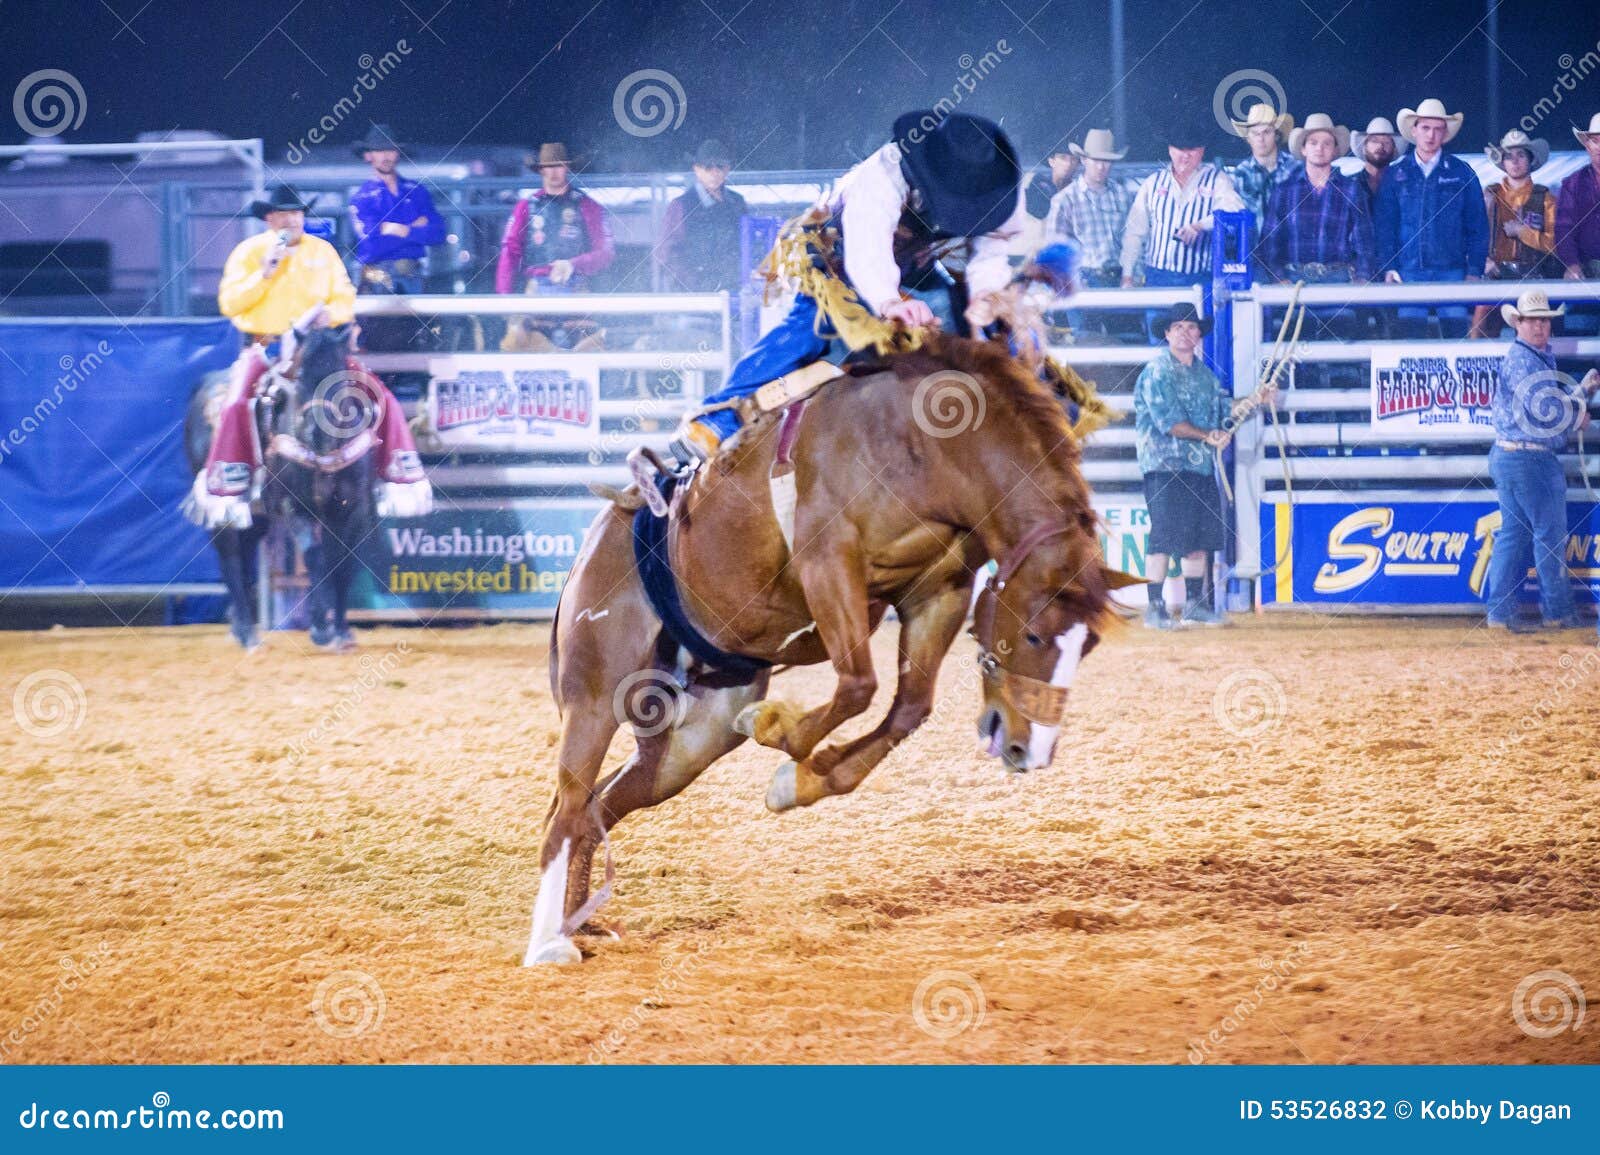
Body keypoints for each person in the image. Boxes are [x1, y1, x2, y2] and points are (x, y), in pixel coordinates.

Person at [664, 110, 1030, 467]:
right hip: (838, 257)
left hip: (915, 263)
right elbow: (867, 251)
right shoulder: (880, 178)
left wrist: (986, 296)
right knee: (809, 330)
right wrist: (890, 301)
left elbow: (990, 252)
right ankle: (717, 419)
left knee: (996, 334)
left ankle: (1035, 421)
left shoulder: (998, 189)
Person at [189, 186, 430, 589]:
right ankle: (232, 484)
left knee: (379, 396)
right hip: (267, 347)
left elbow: (344, 298)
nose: (291, 220)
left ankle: (395, 476)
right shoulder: (250, 253)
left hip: (318, 348)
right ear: (269, 220)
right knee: (235, 405)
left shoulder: (322, 251)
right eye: (283, 215)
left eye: (297, 213)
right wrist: (265, 273)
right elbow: (231, 304)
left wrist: (325, 317)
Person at [1485, 290, 1600, 632]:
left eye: (1544, 321)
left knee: (1514, 535)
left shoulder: (1529, 357)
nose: (1540, 327)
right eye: (1533, 320)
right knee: (1548, 536)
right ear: (1518, 323)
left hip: (1512, 454)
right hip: (1530, 459)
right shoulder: (1526, 361)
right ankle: (1558, 612)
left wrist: (1580, 392)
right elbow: (1542, 412)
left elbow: (1545, 405)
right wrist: (1576, 412)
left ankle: (1501, 614)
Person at [1134, 304, 1231, 629]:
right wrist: (1210, 435)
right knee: (1164, 534)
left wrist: (1257, 399)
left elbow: (1225, 410)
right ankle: (1155, 607)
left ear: (1198, 334)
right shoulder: (1157, 371)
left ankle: (1194, 604)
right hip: (1165, 464)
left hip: (1199, 467)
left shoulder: (1205, 376)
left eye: (1191, 327)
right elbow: (1171, 423)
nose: (1185, 333)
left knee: (1199, 537)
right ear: (1167, 334)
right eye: (1178, 327)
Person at [1374, 98, 1489, 338]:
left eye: (1437, 129)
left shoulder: (1462, 173)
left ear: (1445, 133)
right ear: (1414, 130)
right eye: (1425, 128)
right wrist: (1390, 267)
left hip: (1453, 271)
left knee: (1456, 339)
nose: (1431, 135)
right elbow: (1385, 226)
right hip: (1409, 271)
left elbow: (1478, 226)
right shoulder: (1396, 174)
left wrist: (1474, 270)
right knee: (1410, 340)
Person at [496, 142, 615, 350]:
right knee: (516, 342)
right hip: (537, 287)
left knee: (591, 347)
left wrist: (574, 264)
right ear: (541, 170)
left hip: (577, 286)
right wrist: (504, 297)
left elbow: (606, 252)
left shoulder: (588, 206)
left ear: (567, 168)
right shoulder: (525, 207)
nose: (553, 172)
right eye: (548, 167)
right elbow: (510, 252)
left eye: (558, 166)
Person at [1120, 117, 1246, 290]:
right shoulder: (1153, 183)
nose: (1185, 155)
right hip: (1157, 275)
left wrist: (1200, 225)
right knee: (1157, 318)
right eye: (1180, 148)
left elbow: (1235, 210)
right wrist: (1127, 274)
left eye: (1192, 149)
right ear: (1170, 150)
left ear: (1202, 150)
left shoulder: (1217, 180)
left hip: (1199, 277)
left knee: (1195, 317)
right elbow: (1135, 232)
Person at [1257, 113, 1373, 284]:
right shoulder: (1284, 191)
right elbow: (1269, 241)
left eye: (1327, 143)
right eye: (1313, 143)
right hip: (1293, 281)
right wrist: (1278, 277)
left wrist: (1362, 277)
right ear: (1303, 149)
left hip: (1339, 281)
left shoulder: (1352, 190)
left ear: (1334, 150)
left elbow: (1364, 241)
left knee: (1344, 313)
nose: (1320, 148)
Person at [1470, 130, 1559, 338]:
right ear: (1503, 162)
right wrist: (1482, 259)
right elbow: (1472, 233)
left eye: (1521, 155)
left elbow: (1556, 243)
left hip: (1534, 276)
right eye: (1509, 156)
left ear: (1530, 160)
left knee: (1541, 331)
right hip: (1495, 274)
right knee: (1479, 329)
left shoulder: (1545, 197)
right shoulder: (1489, 195)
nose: (1515, 161)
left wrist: (1522, 232)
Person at [346, 122, 445, 295]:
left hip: (414, 277)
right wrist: (414, 229)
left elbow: (438, 233)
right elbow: (371, 243)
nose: (385, 156)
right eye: (378, 151)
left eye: (390, 150)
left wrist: (396, 229)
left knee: (420, 320)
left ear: (398, 154)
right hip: (376, 279)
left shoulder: (416, 191)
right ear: (368, 156)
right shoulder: (362, 197)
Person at [655, 139, 749, 292]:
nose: (714, 172)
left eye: (720, 166)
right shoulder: (681, 205)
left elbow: (747, 244)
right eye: (708, 166)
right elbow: (667, 253)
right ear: (697, 170)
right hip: (694, 298)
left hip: (734, 291)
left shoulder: (737, 203)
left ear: (727, 169)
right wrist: (694, 283)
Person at [1044, 128, 1131, 286]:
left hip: (1118, 276)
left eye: (1106, 161)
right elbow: (1055, 248)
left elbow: (1133, 240)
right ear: (1084, 160)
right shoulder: (1065, 199)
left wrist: (1131, 276)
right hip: (1082, 278)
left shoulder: (1122, 195)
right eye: (1095, 160)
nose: (1100, 167)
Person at [1228, 102, 1299, 233]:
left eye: (1266, 132)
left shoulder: (1296, 169)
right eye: (1255, 133)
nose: (1261, 138)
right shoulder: (1239, 174)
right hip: (1252, 249)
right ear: (1248, 138)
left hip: (1291, 250)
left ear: (1276, 135)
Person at [1556, 113, 1600, 280]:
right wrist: (1572, 264)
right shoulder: (1572, 183)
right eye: (1594, 141)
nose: (1599, 147)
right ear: (1587, 145)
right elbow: (1563, 229)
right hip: (1585, 270)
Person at [1351, 116, 1406, 211]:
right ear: (1364, 148)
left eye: (1386, 142)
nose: (1380, 146)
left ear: (1394, 150)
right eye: (1374, 141)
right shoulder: (1350, 185)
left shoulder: (1403, 187)